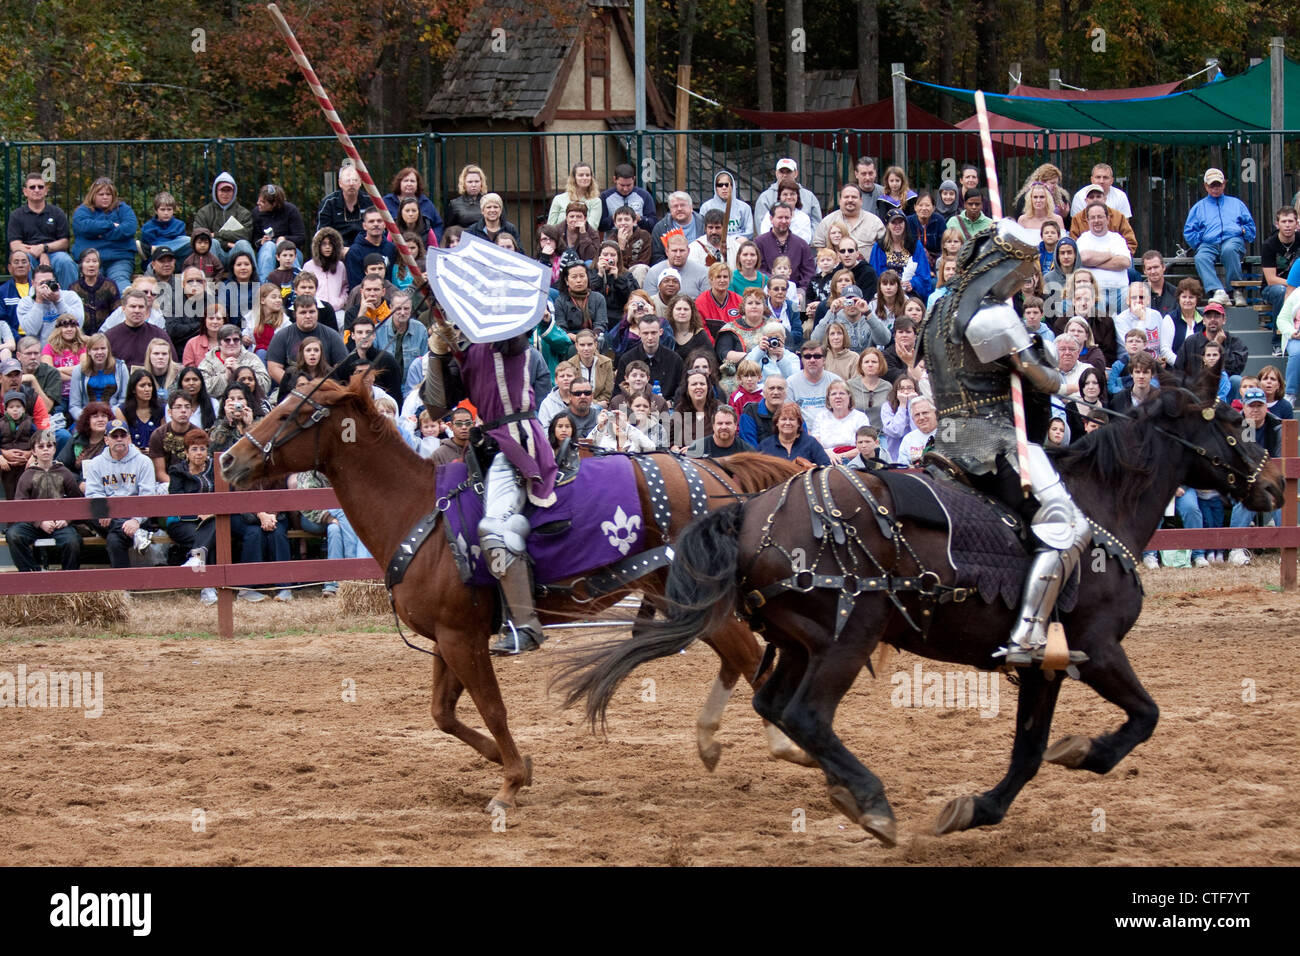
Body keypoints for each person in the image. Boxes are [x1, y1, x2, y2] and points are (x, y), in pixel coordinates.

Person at [916, 219, 1090, 666]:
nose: (1022, 282)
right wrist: (1046, 356)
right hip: (994, 442)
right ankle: (1028, 635)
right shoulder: (992, 314)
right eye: (1019, 273)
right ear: (1002, 266)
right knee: (1067, 527)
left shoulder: (937, 311)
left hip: (947, 439)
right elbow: (1047, 380)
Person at [425, 314, 559, 655]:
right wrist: (437, 354)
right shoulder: (467, 355)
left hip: (516, 441)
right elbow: (438, 406)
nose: (456, 327)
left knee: (494, 528)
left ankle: (527, 627)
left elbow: (513, 334)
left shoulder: (506, 337)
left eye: (459, 321)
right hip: (488, 446)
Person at [83, 417, 164, 568]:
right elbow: (93, 493)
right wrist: (103, 511)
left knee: (114, 541)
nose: (119, 439)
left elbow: (147, 496)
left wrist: (136, 521)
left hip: (135, 517)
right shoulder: (96, 463)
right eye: (114, 436)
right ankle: (138, 535)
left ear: (129, 438)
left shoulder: (143, 462)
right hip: (107, 518)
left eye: (123, 435)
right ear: (106, 440)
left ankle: (123, 588)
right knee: (89, 510)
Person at [8, 428, 83, 571]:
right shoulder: (27, 475)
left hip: (59, 522)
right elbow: (20, 506)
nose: (45, 450)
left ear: (55, 448)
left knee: (73, 542)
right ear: (34, 451)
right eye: (41, 446)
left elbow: (77, 502)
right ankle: (32, 574)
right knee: (14, 535)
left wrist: (67, 519)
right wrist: (39, 522)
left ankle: (68, 581)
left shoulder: (64, 472)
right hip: (33, 523)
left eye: (49, 446)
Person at [1184, 167, 1256, 308]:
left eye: (1218, 184)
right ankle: (1217, 291)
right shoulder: (1199, 207)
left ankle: (1236, 290)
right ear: (1206, 186)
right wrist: (1200, 240)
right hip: (1208, 243)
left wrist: (1242, 231)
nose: (1215, 188)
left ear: (1224, 184)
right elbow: (1189, 231)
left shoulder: (1236, 204)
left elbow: (1250, 227)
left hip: (1232, 240)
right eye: (1212, 185)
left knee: (1229, 250)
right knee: (1201, 257)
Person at [6, 171, 77, 288]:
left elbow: (64, 242)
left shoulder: (57, 213)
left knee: (66, 261)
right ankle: (29, 301)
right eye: (32, 187)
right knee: (23, 261)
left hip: (55, 255)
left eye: (40, 187)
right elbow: (15, 245)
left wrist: (43, 249)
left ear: (46, 191)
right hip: (30, 255)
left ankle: (68, 300)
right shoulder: (16, 215)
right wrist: (38, 253)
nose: (37, 189)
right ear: (25, 192)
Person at [70, 178, 139, 292]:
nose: (105, 197)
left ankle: (129, 304)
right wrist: (111, 225)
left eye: (108, 194)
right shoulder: (83, 210)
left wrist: (99, 234)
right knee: (92, 282)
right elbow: (84, 227)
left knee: (120, 280)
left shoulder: (123, 209)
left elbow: (129, 228)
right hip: (91, 260)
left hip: (119, 258)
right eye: (101, 194)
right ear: (93, 195)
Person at [265, 295, 348, 386]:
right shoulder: (282, 336)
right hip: (293, 390)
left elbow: (342, 366)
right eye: (303, 312)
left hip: (325, 388)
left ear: (317, 313)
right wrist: (294, 383)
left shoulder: (332, 335)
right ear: (295, 314)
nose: (308, 316)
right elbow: (273, 368)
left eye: (312, 312)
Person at [1174, 300, 1246, 398]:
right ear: (1203, 320)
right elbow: (1178, 369)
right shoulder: (1191, 341)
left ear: (1224, 319)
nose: (1212, 319)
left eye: (1217, 316)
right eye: (1208, 316)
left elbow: (1234, 370)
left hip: (1224, 390)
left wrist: (1218, 347)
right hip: (1195, 390)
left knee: (1237, 380)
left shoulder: (1234, 342)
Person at [1075, 202, 1132, 318]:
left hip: (1120, 291)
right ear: (1088, 220)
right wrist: (1111, 254)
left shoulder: (1117, 238)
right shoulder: (1083, 239)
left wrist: (1093, 263)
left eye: (1100, 217)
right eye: (1093, 217)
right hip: (1095, 291)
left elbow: (1125, 262)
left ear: (1107, 219)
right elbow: (1084, 258)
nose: (1096, 220)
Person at [193, 172, 256, 269]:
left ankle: (255, 281)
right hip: (216, 253)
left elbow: (246, 235)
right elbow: (200, 237)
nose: (225, 194)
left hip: (236, 253)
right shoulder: (204, 212)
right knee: (212, 242)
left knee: (243, 244)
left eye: (229, 191)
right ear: (216, 191)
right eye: (222, 190)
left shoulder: (244, 213)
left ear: (234, 192)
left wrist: (218, 234)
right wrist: (226, 244)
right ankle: (207, 279)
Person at [17, 263, 86, 345]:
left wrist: (58, 301)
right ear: (33, 283)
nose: (46, 287)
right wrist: (38, 301)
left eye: (49, 282)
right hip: (40, 353)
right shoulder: (25, 303)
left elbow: (78, 324)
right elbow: (31, 331)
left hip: (68, 350)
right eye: (42, 283)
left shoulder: (70, 296)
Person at [1260, 207, 1299, 344]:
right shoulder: (1269, 245)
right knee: (1281, 292)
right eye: (1284, 221)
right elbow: (1271, 280)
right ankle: (1278, 341)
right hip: (1272, 289)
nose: (1287, 225)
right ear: (1277, 224)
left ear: (1297, 224)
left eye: (1290, 221)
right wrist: (1294, 285)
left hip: (1296, 287)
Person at [753, 157, 823, 229]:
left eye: (788, 172)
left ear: (796, 173)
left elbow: (816, 222)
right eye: (781, 172)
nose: (785, 175)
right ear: (776, 173)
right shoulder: (765, 197)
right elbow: (761, 224)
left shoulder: (809, 196)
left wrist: (808, 238)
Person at [811, 379, 870, 463]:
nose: (838, 397)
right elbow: (815, 445)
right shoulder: (821, 417)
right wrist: (829, 454)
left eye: (842, 393)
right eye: (833, 394)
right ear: (829, 398)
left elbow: (866, 445)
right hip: (826, 458)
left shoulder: (860, 417)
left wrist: (840, 456)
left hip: (855, 461)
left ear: (849, 396)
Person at [754, 204, 814, 287]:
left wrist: (802, 290)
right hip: (767, 289)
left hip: (796, 291)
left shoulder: (801, 244)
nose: (784, 221)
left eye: (787, 218)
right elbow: (758, 269)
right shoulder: (759, 242)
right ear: (771, 219)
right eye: (780, 217)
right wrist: (776, 282)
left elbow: (809, 272)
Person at [758, 401, 829, 465]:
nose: (787, 423)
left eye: (792, 419)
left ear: (799, 423)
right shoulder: (765, 445)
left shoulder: (811, 443)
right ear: (777, 422)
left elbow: (826, 466)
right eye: (783, 419)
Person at [786, 341, 843, 416]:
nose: (812, 360)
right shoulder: (791, 383)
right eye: (807, 357)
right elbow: (788, 413)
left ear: (824, 360)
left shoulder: (835, 381)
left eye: (817, 356)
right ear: (802, 360)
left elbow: (843, 410)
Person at [598, 163, 658, 233]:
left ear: (634, 179)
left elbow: (653, 223)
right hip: (613, 240)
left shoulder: (645, 196)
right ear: (615, 179)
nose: (625, 189)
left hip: (639, 239)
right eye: (622, 185)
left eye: (629, 185)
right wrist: (614, 219)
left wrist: (640, 219)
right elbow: (600, 226)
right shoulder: (605, 196)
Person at [558, 329, 613, 404]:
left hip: (602, 407)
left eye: (590, 344)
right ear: (576, 346)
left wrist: (598, 405)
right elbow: (570, 393)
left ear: (596, 345)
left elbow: (607, 393)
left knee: (621, 405)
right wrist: (595, 404)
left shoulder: (606, 363)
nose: (586, 348)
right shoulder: (570, 365)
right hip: (576, 406)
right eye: (582, 345)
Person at [698, 168, 753, 240]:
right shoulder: (706, 207)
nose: (724, 188)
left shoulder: (744, 207)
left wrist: (733, 239)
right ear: (716, 188)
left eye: (727, 185)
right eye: (720, 185)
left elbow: (749, 232)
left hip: (737, 243)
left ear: (732, 186)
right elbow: (702, 231)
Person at [546, 162, 602, 231]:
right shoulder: (558, 199)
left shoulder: (596, 201)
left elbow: (592, 227)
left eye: (587, 175)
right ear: (574, 178)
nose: (585, 178)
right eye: (581, 175)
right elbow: (550, 226)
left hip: (584, 239)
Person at [684, 404, 754, 457]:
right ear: (713, 426)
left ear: (735, 425)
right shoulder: (697, 448)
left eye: (728, 423)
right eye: (720, 423)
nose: (724, 427)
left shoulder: (747, 452)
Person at [848, 346, 892, 428]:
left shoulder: (888, 387)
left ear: (880, 364)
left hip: (880, 434)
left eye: (874, 362)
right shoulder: (850, 385)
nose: (870, 365)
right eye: (866, 362)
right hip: (856, 434)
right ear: (861, 365)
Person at [895, 395, 939, 466]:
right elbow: (902, 468)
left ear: (935, 414)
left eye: (925, 413)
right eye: (917, 415)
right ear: (913, 419)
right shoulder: (908, 439)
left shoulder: (947, 435)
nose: (921, 417)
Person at [445, 163, 487, 230]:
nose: (473, 185)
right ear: (464, 184)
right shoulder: (454, 204)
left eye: (477, 181)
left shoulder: (489, 201)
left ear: (481, 183)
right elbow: (449, 230)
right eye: (470, 182)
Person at [1140, 250, 1179, 318]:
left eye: (1156, 267)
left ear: (1163, 267)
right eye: (1149, 268)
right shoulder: (1137, 294)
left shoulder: (1175, 293)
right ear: (1144, 271)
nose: (1153, 271)